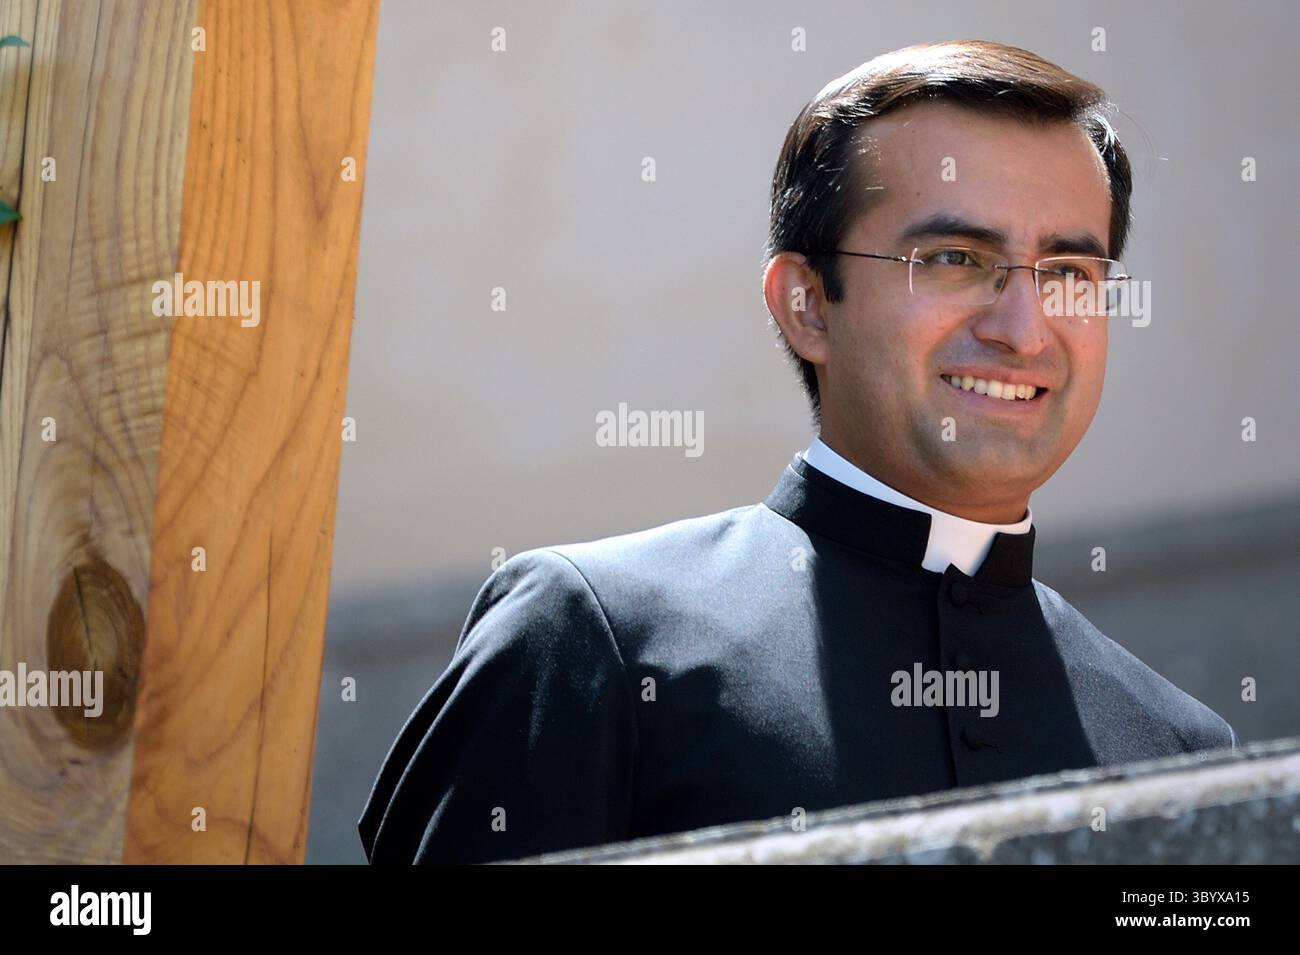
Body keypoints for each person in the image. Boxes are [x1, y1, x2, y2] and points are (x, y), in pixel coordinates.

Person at [359, 39, 1237, 865]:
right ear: (809, 305)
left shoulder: (1181, 746)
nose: (1022, 327)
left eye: (1068, 274)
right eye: (955, 258)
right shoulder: (595, 641)